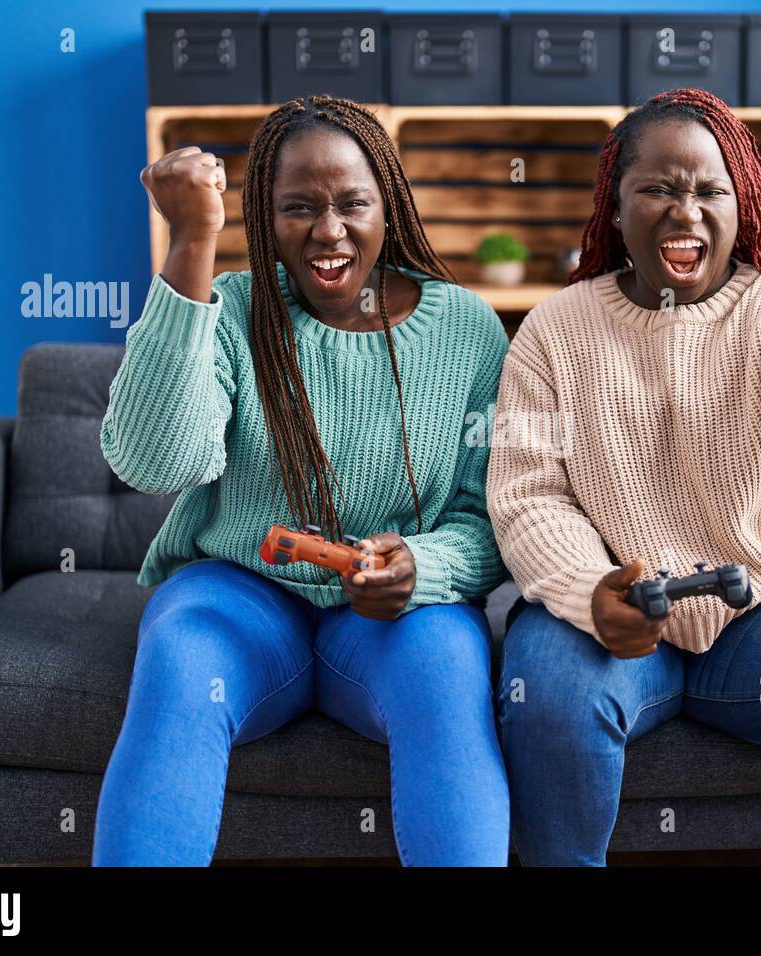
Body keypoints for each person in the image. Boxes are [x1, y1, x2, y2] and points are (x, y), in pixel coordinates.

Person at [487, 88, 761, 866]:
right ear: (616, 208)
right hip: (613, 617)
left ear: (742, 208)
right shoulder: (554, 329)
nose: (685, 210)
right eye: (658, 189)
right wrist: (591, 593)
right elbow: (529, 494)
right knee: (552, 702)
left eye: (709, 190)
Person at [93, 95, 511, 866]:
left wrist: (427, 568)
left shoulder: (467, 329)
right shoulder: (233, 311)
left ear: (390, 203)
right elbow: (156, 463)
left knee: (451, 671)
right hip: (239, 593)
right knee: (181, 654)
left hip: (397, 614)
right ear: (263, 216)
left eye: (353, 202)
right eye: (297, 207)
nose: (328, 231)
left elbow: (491, 519)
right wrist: (191, 245)